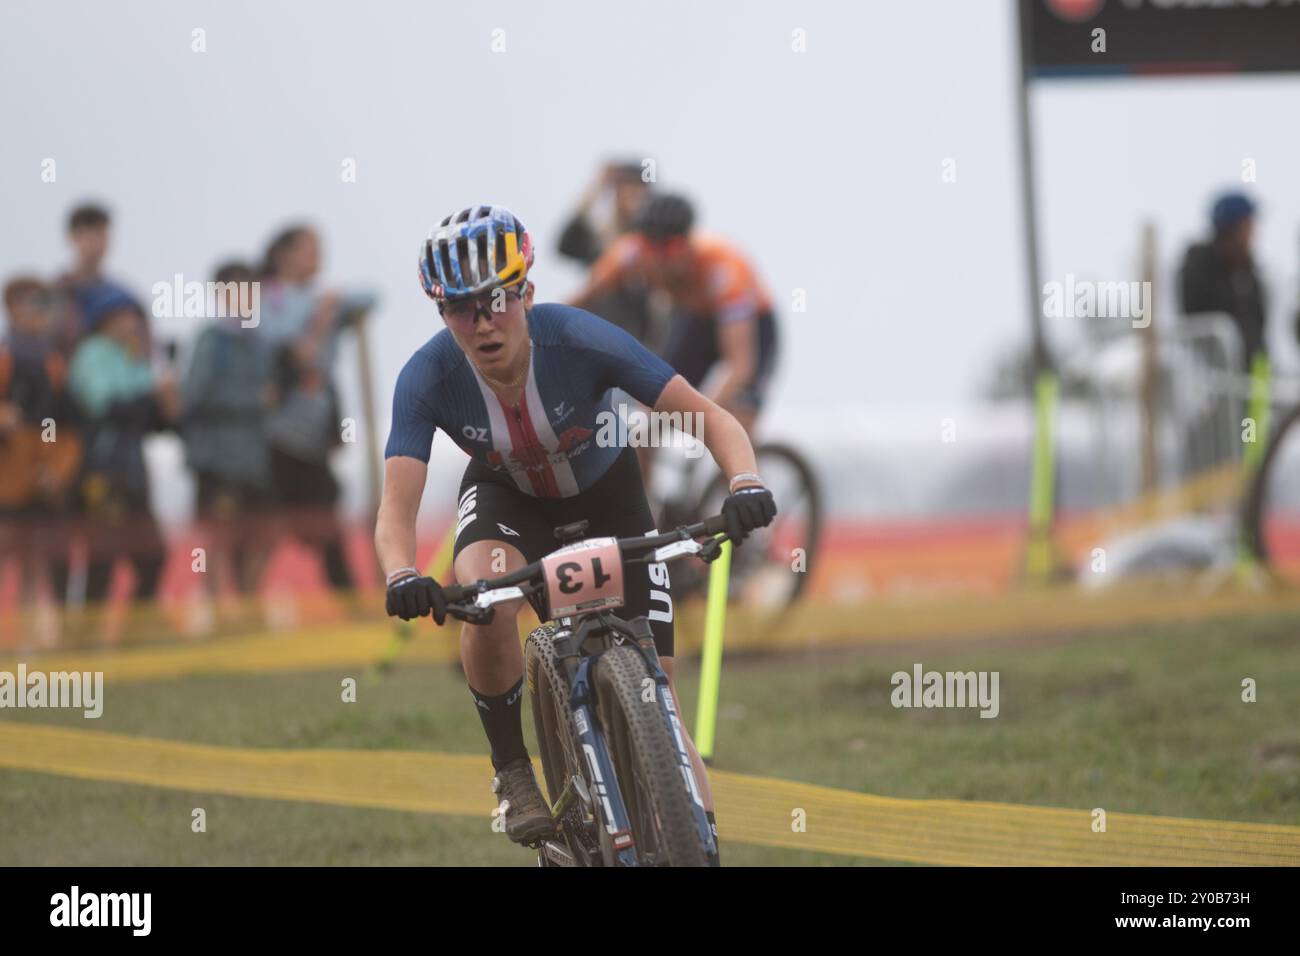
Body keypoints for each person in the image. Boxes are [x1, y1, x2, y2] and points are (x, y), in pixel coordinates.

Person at [375, 205, 776, 862]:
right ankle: (512, 772)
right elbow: (395, 509)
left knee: (661, 697)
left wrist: (745, 485)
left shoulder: (581, 339)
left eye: (497, 299)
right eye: (459, 308)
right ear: (441, 313)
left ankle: (697, 847)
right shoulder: (427, 377)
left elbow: (711, 419)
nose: (482, 323)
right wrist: (402, 574)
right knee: (487, 598)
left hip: (610, 498)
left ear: (527, 292)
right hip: (508, 503)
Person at [571, 193, 778, 435]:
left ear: (689, 241)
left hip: (752, 325)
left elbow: (740, 365)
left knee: (737, 421)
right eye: (653, 247)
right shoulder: (630, 254)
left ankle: (739, 468)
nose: (662, 259)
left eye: (671, 247)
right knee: (645, 424)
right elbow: (578, 301)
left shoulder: (724, 267)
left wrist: (704, 418)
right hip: (696, 322)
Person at [258, 225, 366, 598]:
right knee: (266, 531)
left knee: (327, 532)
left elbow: (370, 297)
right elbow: (285, 344)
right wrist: (320, 317)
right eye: (310, 248)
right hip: (276, 437)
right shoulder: (268, 299)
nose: (319, 256)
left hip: (315, 437)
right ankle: (243, 611)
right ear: (284, 254)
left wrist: (329, 304)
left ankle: (352, 610)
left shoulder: (324, 299)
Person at [68, 287, 178, 627]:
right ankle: (84, 640)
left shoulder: (135, 356)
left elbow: (154, 421)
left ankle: (133, 630)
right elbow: (105, 406)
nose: (131, 323)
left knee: (152, 556)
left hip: (133, 470)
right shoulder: (91, 354)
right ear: (105, 321)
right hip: (102, 469)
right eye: (124, 316)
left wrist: (167, 403)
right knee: (103, 556)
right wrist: (152, 393)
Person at [180, 262, 273, 617]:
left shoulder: (260, 341)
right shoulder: (211, 340)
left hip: (254, 461)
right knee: (215, 539)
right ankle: (218, 613)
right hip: (216, 459)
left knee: (259, 535)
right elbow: (193, 395)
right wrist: (253, 401)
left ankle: (247, 609)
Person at [0, 277, 82, 633]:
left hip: (36, 481)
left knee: (36, 562)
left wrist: (55, 471)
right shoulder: (5, 357)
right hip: (6, 479)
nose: (41, 314)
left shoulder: (54, 365)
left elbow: (67, 427)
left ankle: (27, 647)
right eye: (33, 304)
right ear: (13, 307)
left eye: (45, 305)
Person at [557, 161, 657, 344]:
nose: (635, 199)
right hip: (599, 336)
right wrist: (596, 186)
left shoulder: (654, 244)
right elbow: (564, 246)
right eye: (630, 190)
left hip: (644, 342)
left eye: (640, 192)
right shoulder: (600, 237)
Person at [1178, 191, 1267, 371]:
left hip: (1255, 374)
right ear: (1232, 229)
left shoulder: (1249, 273)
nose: (1253, 233)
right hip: (1215, 380)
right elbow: (1195, 323)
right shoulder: (1200, 269)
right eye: (1248, 225)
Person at [53, 203, 139, 355]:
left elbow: (142, 350)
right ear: (72, 237)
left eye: (101, 234)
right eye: (89, 234)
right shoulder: (55, 294)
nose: (96, 243)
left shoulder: (124, 299)